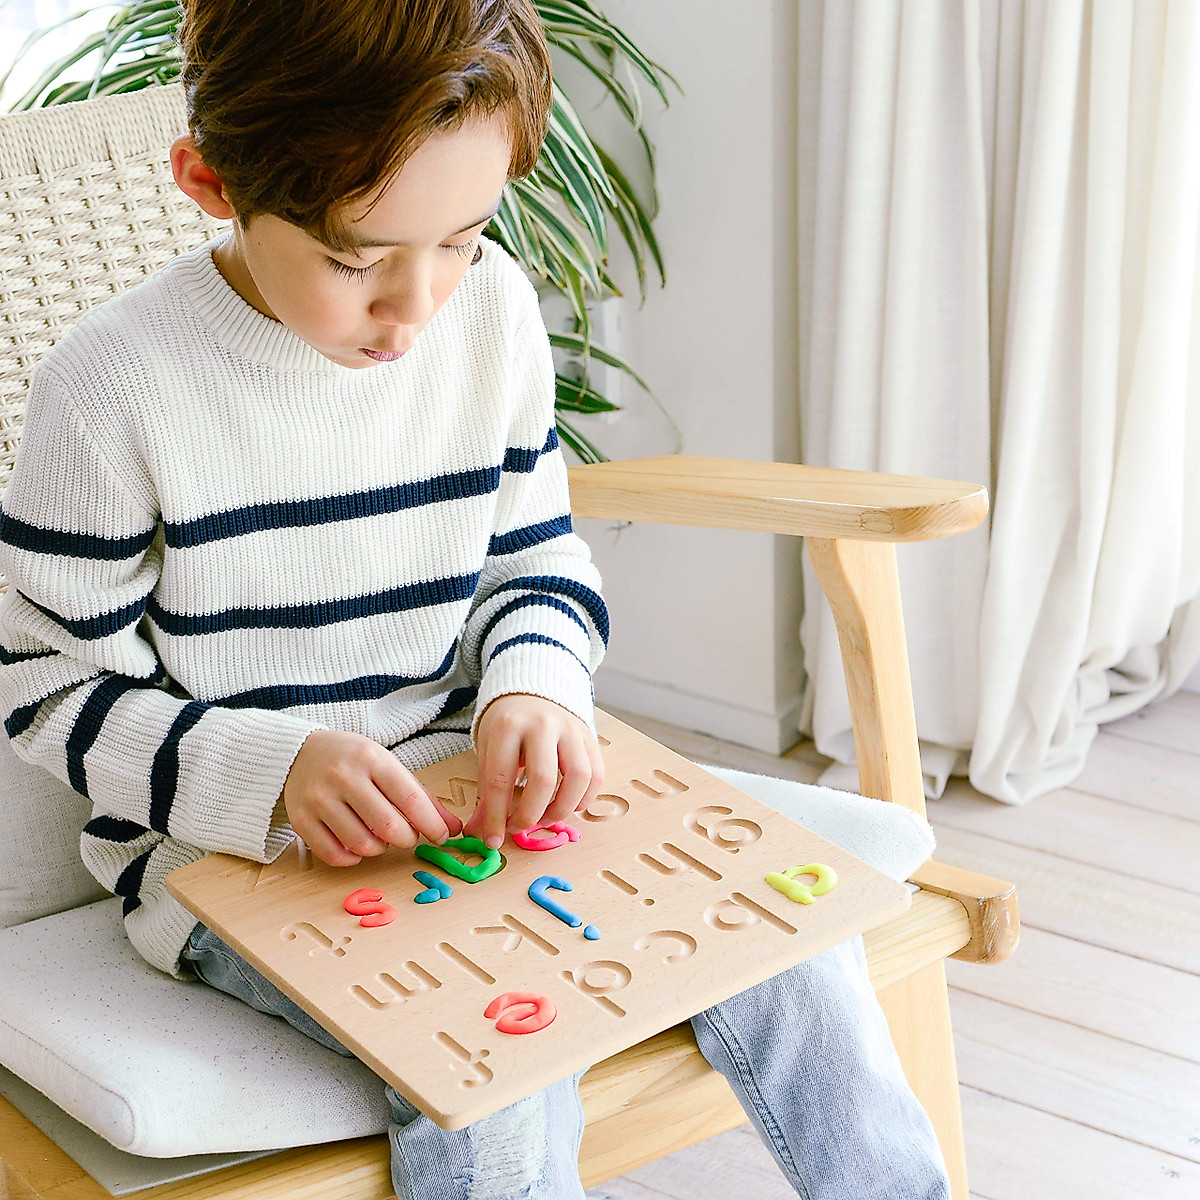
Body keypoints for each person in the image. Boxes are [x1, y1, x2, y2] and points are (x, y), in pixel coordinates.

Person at [0, 2, 951, 1197]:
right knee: (497, 1062)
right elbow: (45, 687)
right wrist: (273, 770)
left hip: (485, 799)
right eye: (357, 260)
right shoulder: (112, 386)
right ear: (209, 179)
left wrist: (536, 682)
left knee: (795, 936)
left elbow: (535, 558)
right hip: (230, 853)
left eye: (463, 235)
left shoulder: (489, 313)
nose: (420, 304)